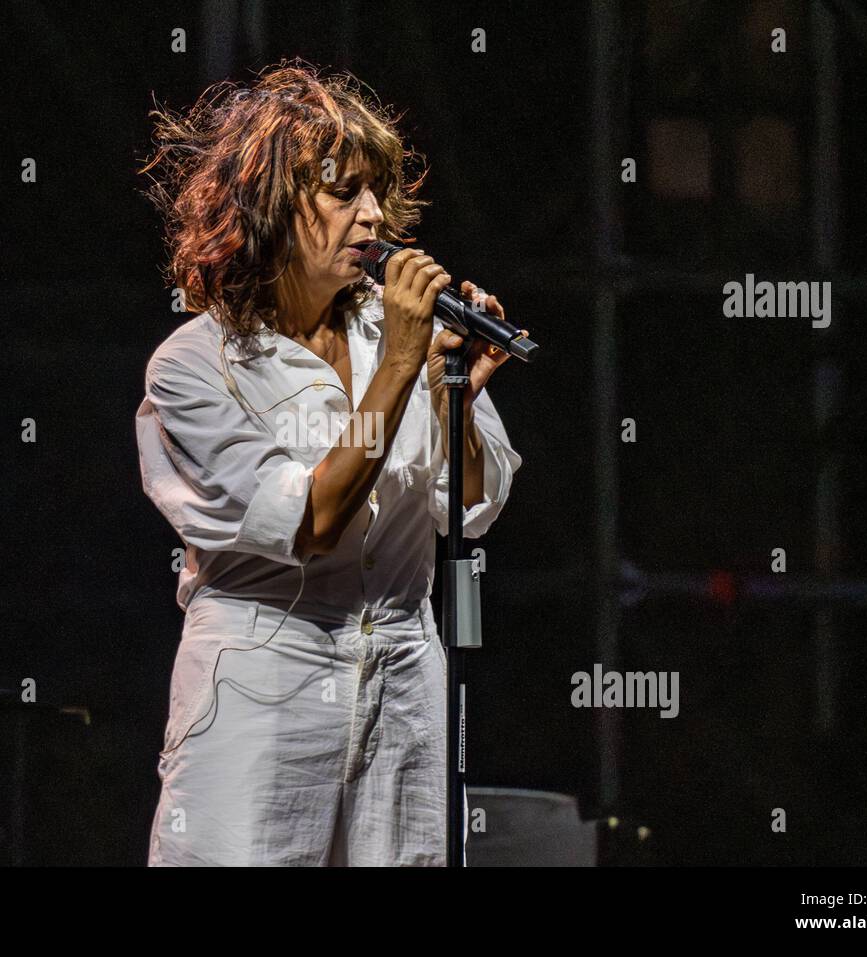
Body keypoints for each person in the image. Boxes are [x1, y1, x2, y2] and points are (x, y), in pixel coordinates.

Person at [135, 61, 523, 866]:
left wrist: (454, 394)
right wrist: (401, 368)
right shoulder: (198, 366)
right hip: (264, 689)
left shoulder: (398, 333)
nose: (373, 214)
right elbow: (307, 521)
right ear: (272, 210)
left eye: (376, 192)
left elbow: (472, 508)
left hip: (404, 686)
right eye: (344, 192)